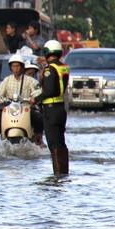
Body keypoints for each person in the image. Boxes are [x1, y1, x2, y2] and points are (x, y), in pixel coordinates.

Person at [38, 39, 70, 176]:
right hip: (61, 108)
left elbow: (49, 90)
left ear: (47, 52)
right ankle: (63, 173)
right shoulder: (63, 67)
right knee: (61, 142)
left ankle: (57, 174)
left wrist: (36, 99)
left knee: (53, 144)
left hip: (50, 109)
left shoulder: (49, 69)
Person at [25, 60, 45, 146]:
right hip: (17, 109)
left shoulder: (36, 84)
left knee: (39, 118)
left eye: (33, 74)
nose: (31, 76)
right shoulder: (14, 81)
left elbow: (38, 93)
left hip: (32, 108)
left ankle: (38, 138)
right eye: (29, 74)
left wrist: (35, 99)